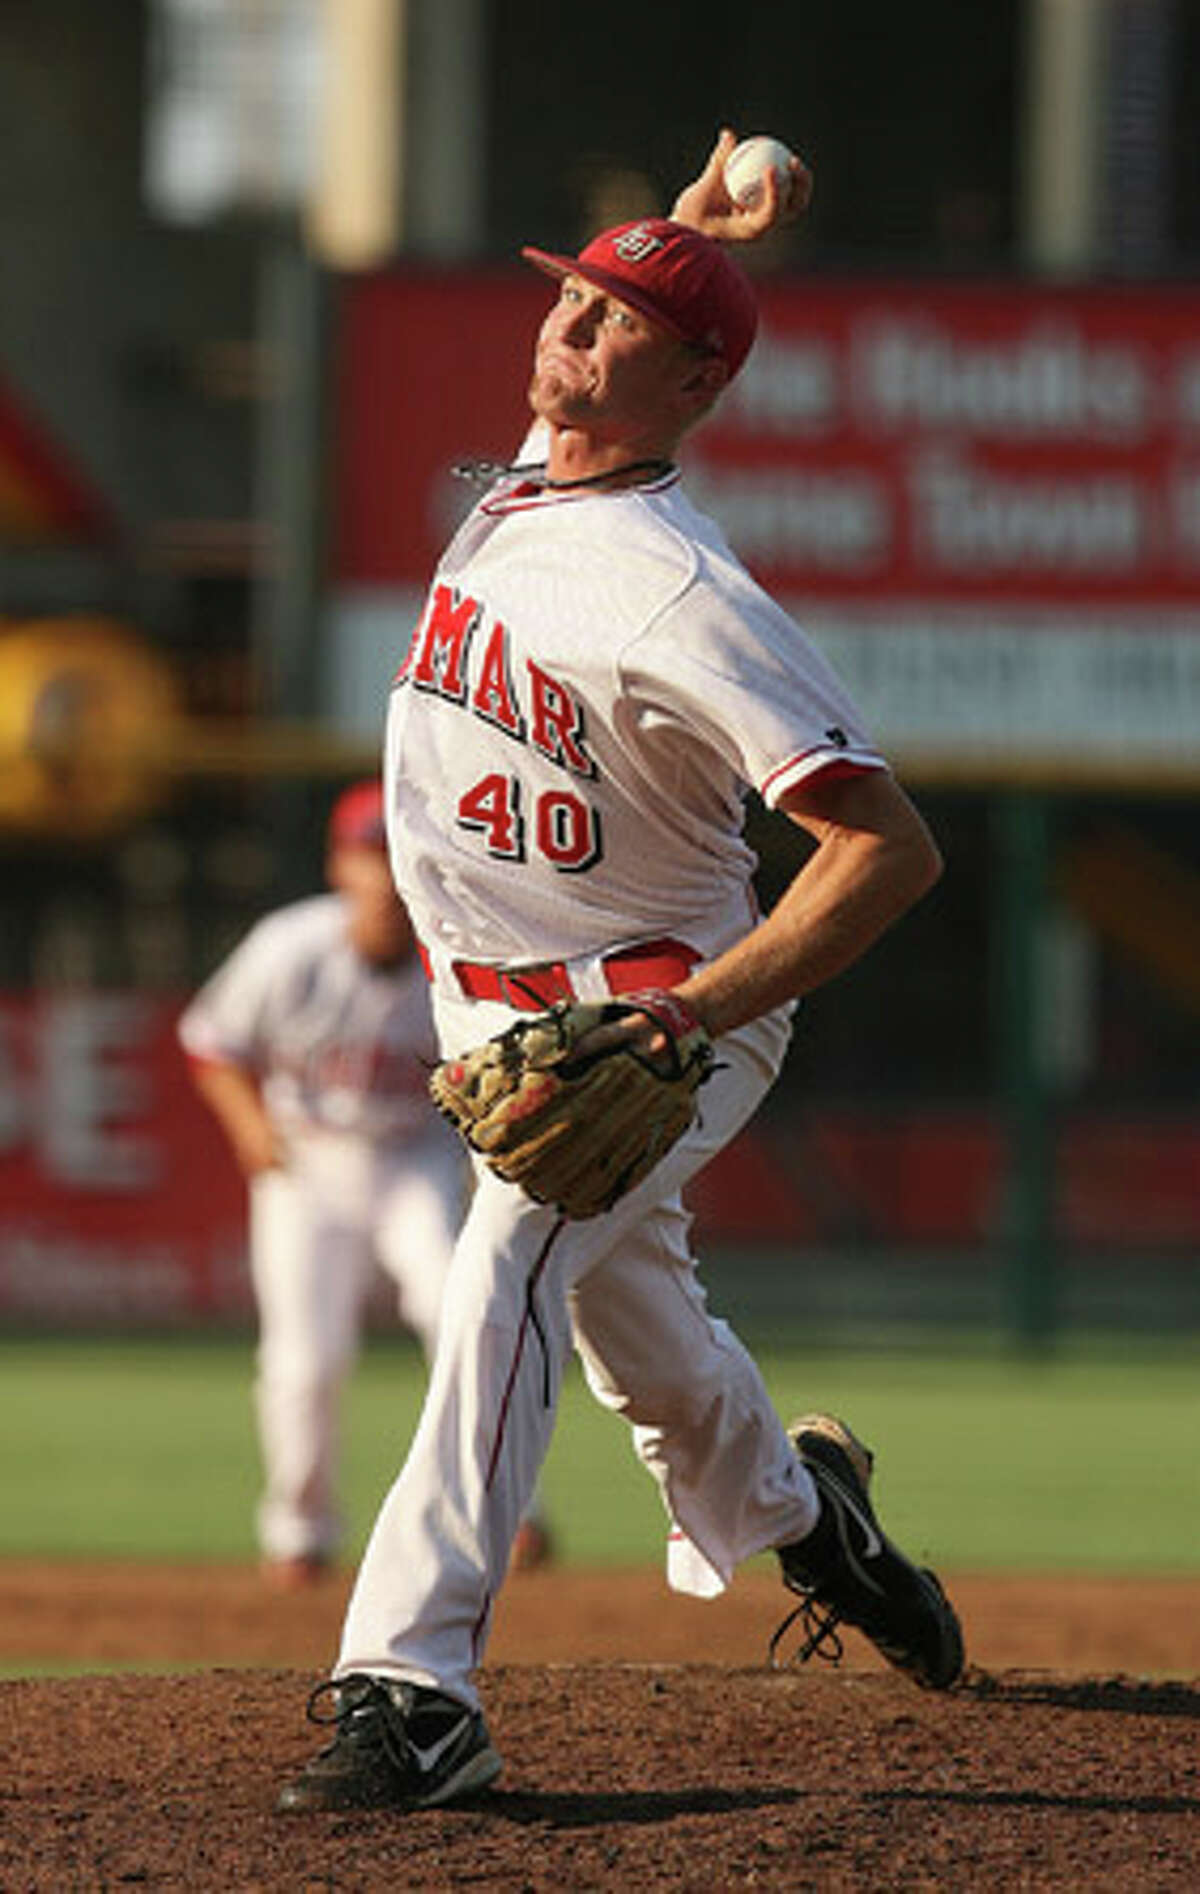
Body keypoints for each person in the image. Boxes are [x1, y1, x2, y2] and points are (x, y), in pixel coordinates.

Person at [278, 130, 964, 1813]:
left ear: (699, 379)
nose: (568, 336)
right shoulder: (534, 478)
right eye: (568, 302)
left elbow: (889, 844)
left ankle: (411, 1680)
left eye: (610, 322)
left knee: (508, 1250)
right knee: (633, 1329)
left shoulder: (680, 590)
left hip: (656, 1009)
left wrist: (687, 1016)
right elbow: (610, 344)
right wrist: (693, 224)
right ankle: (819, 1518)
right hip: (492, 1009)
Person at [179, 780, 552, 1587]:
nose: (384, 875)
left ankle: (510, 1505)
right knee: (305, 1360)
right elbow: (211, 1042)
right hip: (305, 1164)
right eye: (367, 854)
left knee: (462, 1309)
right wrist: (248, 1125)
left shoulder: (460, 958)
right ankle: (299, 1530)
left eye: (396, 855)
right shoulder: (290, 947)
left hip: (412, 1161)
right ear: (338, 866)